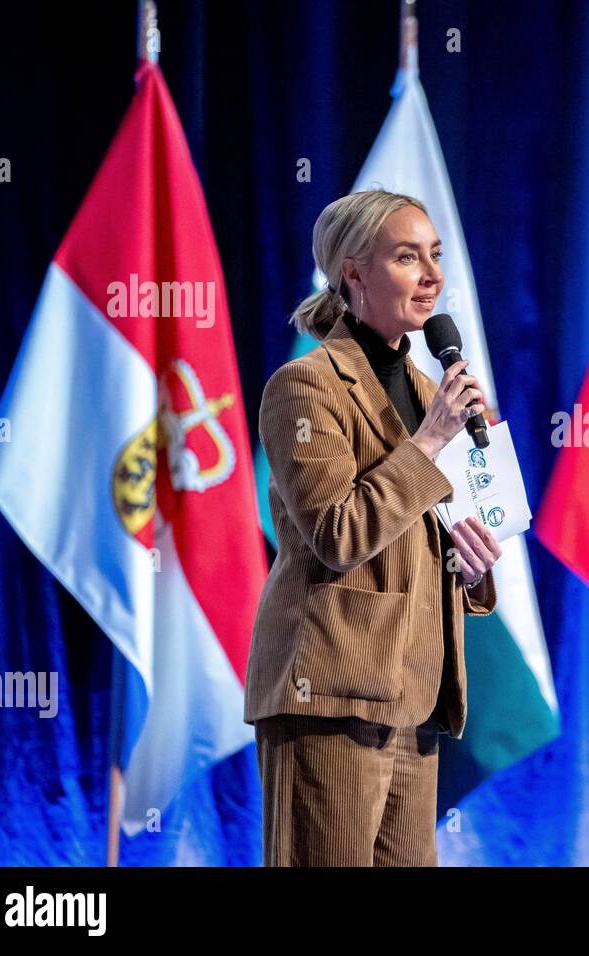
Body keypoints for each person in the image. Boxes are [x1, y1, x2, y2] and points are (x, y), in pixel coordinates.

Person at [244, 189, 502, 866]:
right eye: (407, 257)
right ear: (354, 273)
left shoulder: (428, 389)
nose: (431, 275)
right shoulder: (306, 387)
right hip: (329, 691)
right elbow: (337, 533)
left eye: (435, 256)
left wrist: (472, 568)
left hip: (414, 697)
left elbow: (424, 532)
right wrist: (429, 442)